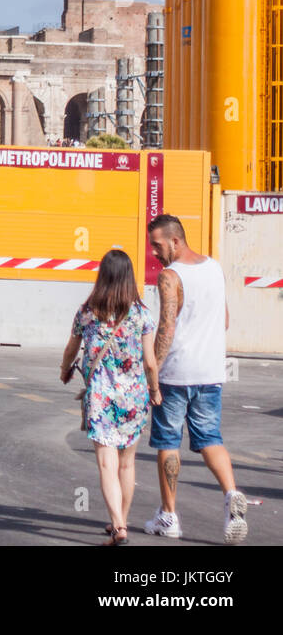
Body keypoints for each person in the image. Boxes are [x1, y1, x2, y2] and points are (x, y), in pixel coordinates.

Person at [144, 214, 248, 544]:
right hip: (210, 372)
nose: (154, 253)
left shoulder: (170, 276)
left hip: (176, 374)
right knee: (210, 438)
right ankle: (231, 494)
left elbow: (166, 328)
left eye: (157, 245)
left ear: (175, 240)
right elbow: (226, 319)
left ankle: (169, 516)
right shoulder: (214, 268)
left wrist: (153, 374)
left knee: (167, 442)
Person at [59, 249, 159, 545]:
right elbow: (150, 362)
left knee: (107, 464)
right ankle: (121, 521)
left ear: (102, 276)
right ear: (130, 277)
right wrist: (154, 391)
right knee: (127, 464)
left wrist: (65, 370)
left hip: (101, 398)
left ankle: (118, 526)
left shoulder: (87, 312)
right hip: (134, 398)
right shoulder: (142, 314)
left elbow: (70, 349)